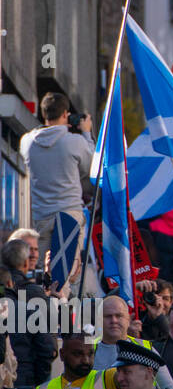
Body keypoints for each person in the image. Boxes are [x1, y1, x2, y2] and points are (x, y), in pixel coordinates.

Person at [18, 91, 93, 268]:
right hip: (69, 215)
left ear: (43, 114)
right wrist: (87, 134)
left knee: (42, 274)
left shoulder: (27, 141)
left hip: (41, 216)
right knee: (66, 273)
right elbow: (92, 167)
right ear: (65, 114)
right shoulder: (75, 142)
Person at [0, 239, 55, 389]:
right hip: (25, 381)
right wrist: (37, 379)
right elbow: (48, 347)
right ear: (25, 262)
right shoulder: (34, 294)